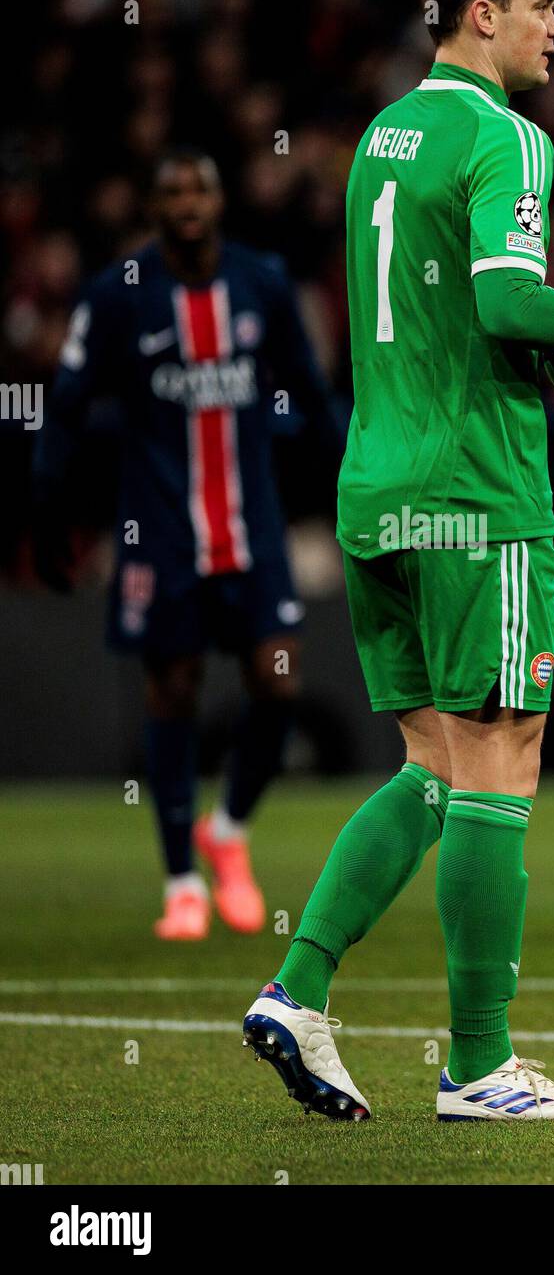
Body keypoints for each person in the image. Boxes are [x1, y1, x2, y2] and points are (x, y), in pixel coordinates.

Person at [243, 0, 554, 1120]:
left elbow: (444, 305)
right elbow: (500, 297)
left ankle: (297, 991)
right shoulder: (507, 136)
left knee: (434, 767)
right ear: (478, 15)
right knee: (504, 759)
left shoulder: (380, 140)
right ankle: (479, 1065)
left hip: (375, 486)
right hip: (473, 495)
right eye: (539, 7)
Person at [33, 150, 341, 941]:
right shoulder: (118, 296)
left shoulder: (262, 282)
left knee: (278, 684)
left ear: (220, 198)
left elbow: (309, 393)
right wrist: (45, 513)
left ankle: (227, 831)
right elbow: (65, 407)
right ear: (154, 205)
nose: (188, 201)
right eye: (172, 191)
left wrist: (351, 490)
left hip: (253, 531)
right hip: (162, 535)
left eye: (200, 187)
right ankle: (180, 883)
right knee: (171, 693)